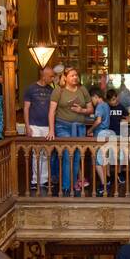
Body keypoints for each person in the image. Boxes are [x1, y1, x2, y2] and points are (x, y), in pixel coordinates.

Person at [50, 66, 93, 196]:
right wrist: (51, 130)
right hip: (62, 126)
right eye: (72, 75)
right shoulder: (59, 90)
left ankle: (73, 184)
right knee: (68, 155)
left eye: (76, 75)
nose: (75, 77)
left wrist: (81, 110)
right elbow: (51, 111)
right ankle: (66, 187)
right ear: (65, 77)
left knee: (77, 157)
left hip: (79, 126)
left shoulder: (82, 89)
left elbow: (91, 109)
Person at [23, 66, 56, 191]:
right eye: (51, 76)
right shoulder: (30, 89)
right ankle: (35, 181)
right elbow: (26, 108)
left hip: (47, 126)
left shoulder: (51, 90)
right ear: (44, 76)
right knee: (36, 153)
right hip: (34, 125)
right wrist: (27, 126)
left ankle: (45, 180)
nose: (52, 78)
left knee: (46, 154)